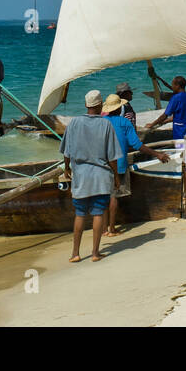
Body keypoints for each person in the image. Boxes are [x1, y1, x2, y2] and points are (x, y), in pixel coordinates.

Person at [60, 90, 123, 262]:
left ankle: (75, 253)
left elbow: (66, 151)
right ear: (100, 105)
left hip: (80, 176)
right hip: (101, 177)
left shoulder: (74, 123)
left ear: (86, 105)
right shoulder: (106, 125)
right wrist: (116, 177)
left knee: (80, 214)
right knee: (97, 214)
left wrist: (67, 168)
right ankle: (95, 253)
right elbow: (112, 157)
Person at [103, 93, 169, 236]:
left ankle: (102, 229)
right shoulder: (124, 122)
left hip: (101, 163)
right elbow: (136, 144)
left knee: (104, 196)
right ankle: (111, 229)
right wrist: (157, 154)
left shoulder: (101, 121)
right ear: (120, 107)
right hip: (118, 163)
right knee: (113, 196)